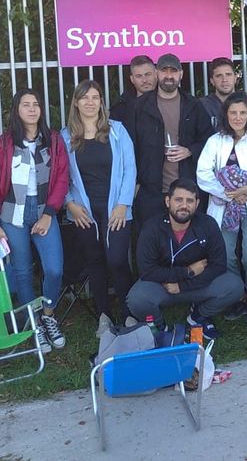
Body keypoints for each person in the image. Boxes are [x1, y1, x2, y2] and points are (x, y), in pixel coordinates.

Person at [0, 87, 70, 352]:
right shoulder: (4, 143)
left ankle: (48, 314)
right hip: (13, 211)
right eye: (26, 104)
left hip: (45, 209)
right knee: (22, 270)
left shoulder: (54, 140)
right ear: (17, 110)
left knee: (54, 268)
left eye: (36, 104)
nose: (32, 109)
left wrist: (48, 214)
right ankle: (34, 325)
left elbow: (62, 180)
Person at [61, 80, 137, 334]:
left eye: (96, 97)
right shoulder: (65, 136)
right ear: (76, 103)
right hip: (83, 211)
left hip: (116, 208)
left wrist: (123, 204)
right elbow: (60, 177)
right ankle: (104, 315)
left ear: (101, 102)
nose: (90, 102)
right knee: (94, 261)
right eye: (85, 97)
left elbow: (130, 169)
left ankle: (129, 314)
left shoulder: (117, 130)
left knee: (117, 260)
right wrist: (69, 204)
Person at [126, 178, 244, 338]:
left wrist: (183, 285)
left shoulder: (208, 224)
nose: (184, 205)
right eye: (178, 200)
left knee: (234, 286)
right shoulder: (152, 227)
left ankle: (198, 316)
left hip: (196, 285)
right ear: (168, 201)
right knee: (136, 299)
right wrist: (187, 271)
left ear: (197, 203)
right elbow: (147, 271)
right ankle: (160, 328)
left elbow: (218, 265)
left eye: (190, 201)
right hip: (163, 286)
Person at [196, 92, 247, 322]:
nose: (238, 117)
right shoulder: (215, 141)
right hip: (224, 205)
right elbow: (203, 174)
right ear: (226, 115)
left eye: (243, 112)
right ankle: (236, 297)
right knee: (227, 256)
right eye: (233, 112)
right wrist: (228, 193)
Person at [128, 52, 214, 231]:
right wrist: (136, 186)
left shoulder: (194, 105)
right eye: (164, 71)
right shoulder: (139, 106)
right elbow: (129, 147)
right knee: (150, 243)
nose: (168, 76)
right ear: (156, 73)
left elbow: (210, 141)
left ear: (181, 74)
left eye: (173, 71)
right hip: (150, 190)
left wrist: (189, 150)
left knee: (187, 241)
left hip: (186, 189)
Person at [109, 55, 156, 124]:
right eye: (139, 76)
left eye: (148, 74)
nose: (144, 80)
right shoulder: (120, 110)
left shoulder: (166, 103)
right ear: (132, 79)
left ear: (156, 74)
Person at [200, 57, 241, 132]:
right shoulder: (201, 106)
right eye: (219, 76)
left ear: (235, 78)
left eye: (228, 74)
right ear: (212, 81)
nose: (224, 80)